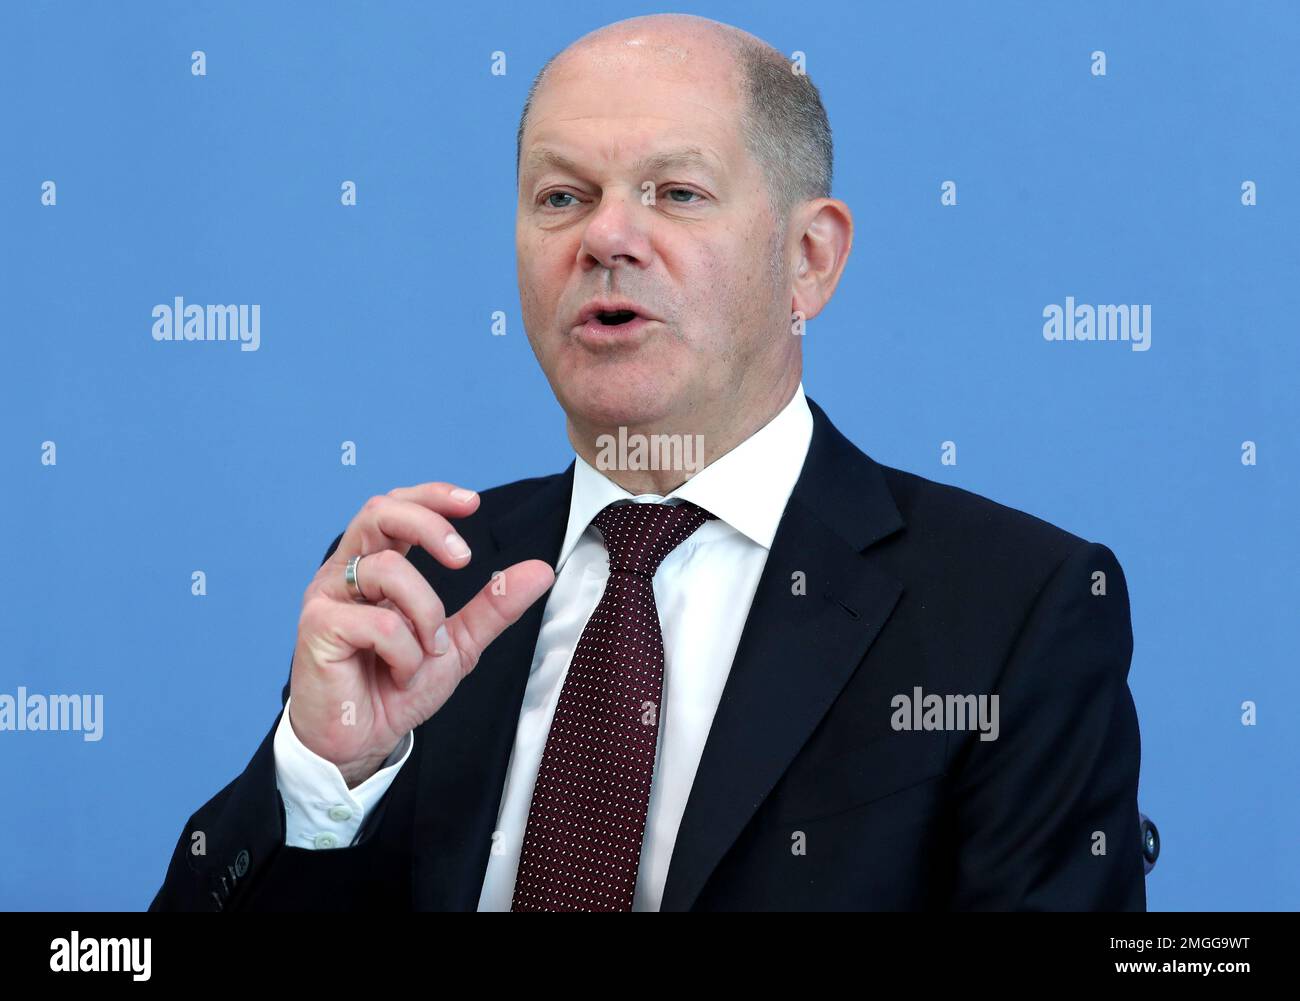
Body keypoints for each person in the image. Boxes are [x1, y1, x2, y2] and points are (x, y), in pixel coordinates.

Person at [150, 13, 1146, 911]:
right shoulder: (425, 581)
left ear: (810, 259)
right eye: (560, 196)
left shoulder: (1011, 607)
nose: (606, 236)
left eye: (675, 191)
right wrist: (324, 774)